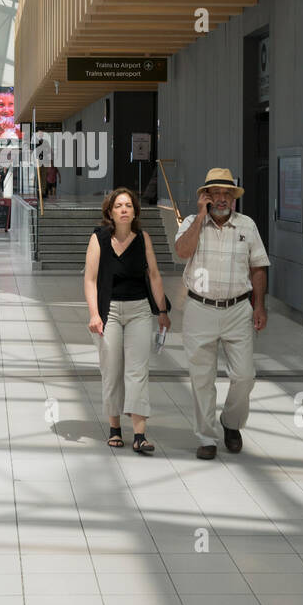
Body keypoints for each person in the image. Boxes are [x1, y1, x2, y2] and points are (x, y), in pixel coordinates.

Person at [174, 167, 269, 460]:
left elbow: (258, 267)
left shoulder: (247, 226)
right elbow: (182, 251)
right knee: (201, 378)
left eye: (227, 193)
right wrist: (201, 217)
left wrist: (260, 304)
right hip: (199, 308)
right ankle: (206, 437)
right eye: (216, 192)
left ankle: (231, 422)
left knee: (244, 375)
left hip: (238, 308)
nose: (222, 198)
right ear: (205, 196)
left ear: (234, 197)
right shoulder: (192, 222)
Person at [84, 187, 171, 454]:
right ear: (110, 212)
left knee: (137, 371)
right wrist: (94, 314)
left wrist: (162, 311)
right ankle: (114, 428)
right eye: (119, 205)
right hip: (108, 311)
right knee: (111, 370)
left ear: (135, 212)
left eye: (129, 206)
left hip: (139, 311)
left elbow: (154, 276)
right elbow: (90, 279)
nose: (124, 209)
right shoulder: (99, 238)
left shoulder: (143, 238)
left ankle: (139, 435)